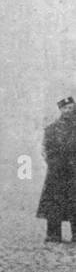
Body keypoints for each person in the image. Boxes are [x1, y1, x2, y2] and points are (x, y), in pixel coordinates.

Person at [38, 96, 76, 242]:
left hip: (74, 172)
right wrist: (54, 164)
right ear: (60, 109)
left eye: (71, 108)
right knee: (55, 203)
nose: (69, 111)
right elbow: (45, 150)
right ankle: (53, 234)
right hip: (57, 172)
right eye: (66, 108)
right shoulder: (52, 128)